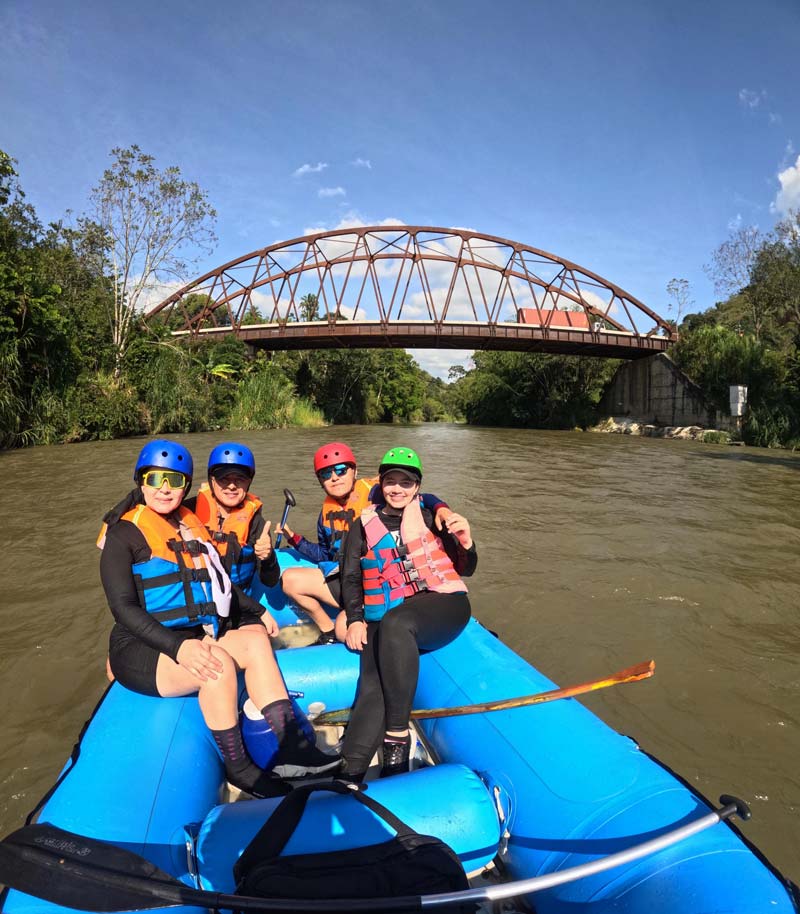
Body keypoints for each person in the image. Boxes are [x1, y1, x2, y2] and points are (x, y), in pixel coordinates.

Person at [98, 439, 340, 797]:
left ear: (185, 486)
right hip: (141, 646)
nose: (164, 490)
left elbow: (217, 584)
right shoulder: (124, 533)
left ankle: (293, 747)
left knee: (256, 641)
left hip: (192, 631)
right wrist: (179, 647)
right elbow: (123, 609)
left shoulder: (188, 525)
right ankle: (240, 769)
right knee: (219, 664)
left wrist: (256, 611)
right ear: (141, 481)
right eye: (155, 479)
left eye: (175, 482)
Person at [338, 447, 477, 781]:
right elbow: (351, 575)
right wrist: (355, 618)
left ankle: (397, 738)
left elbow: (467, 569)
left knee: (396, 623)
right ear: (380, 484)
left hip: (443, 604)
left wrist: (467, 543)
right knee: (371, 681)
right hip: (385, 613)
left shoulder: (432, 516)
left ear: (417, 488)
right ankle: (349, 773)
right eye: (390, 481)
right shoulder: (363, 524)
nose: (397, 489)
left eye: (406, 482)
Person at [277, 442, 452, 644]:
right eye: (326, 474)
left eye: (341, 470)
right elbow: (325, 555)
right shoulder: (325, 514)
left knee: (347, 627)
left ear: (355, 471)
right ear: (320, 481)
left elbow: (420, 496)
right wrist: (295, 539)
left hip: (378, 579)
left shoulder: (376, 493)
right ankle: (328, 632)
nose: (334, 477)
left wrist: (441, 507)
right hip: (346, 578)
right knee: (290, 580)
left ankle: (382, 632)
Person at [185, 442, 278, 597]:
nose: (232, 486)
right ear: (212, 480)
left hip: (237, 604)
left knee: (268, 623)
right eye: (224, 479)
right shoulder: (187, 510)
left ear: (249, 482)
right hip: (197, 602)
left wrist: (268, 558)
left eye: (240, 479)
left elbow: (270, 581)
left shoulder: (256, 523)